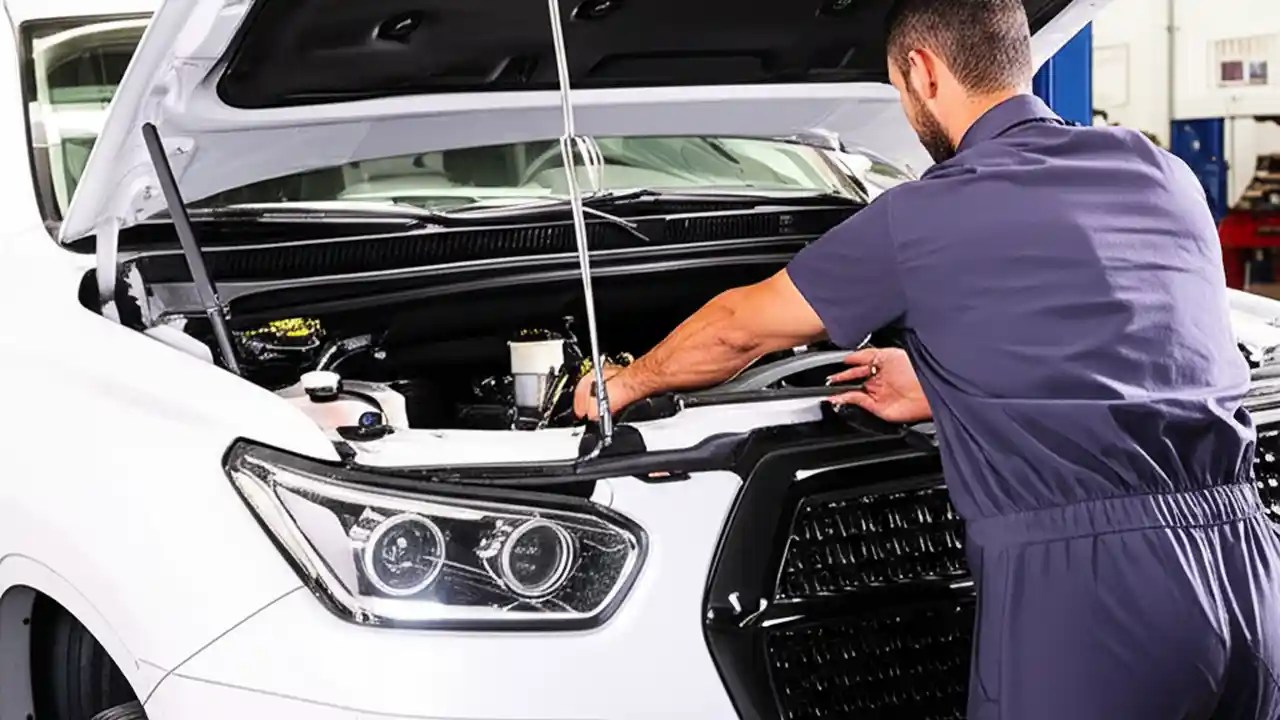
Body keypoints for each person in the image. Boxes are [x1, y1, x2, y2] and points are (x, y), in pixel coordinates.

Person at [573, 0, 1280, 717]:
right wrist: (952, 384)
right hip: (1249, 568)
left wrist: (619, 381)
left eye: (897, 88)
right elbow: (1136, 337)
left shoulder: (922, 216)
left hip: (1090, 600)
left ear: (921, 69)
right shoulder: (1161, 174)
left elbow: (737, 331)